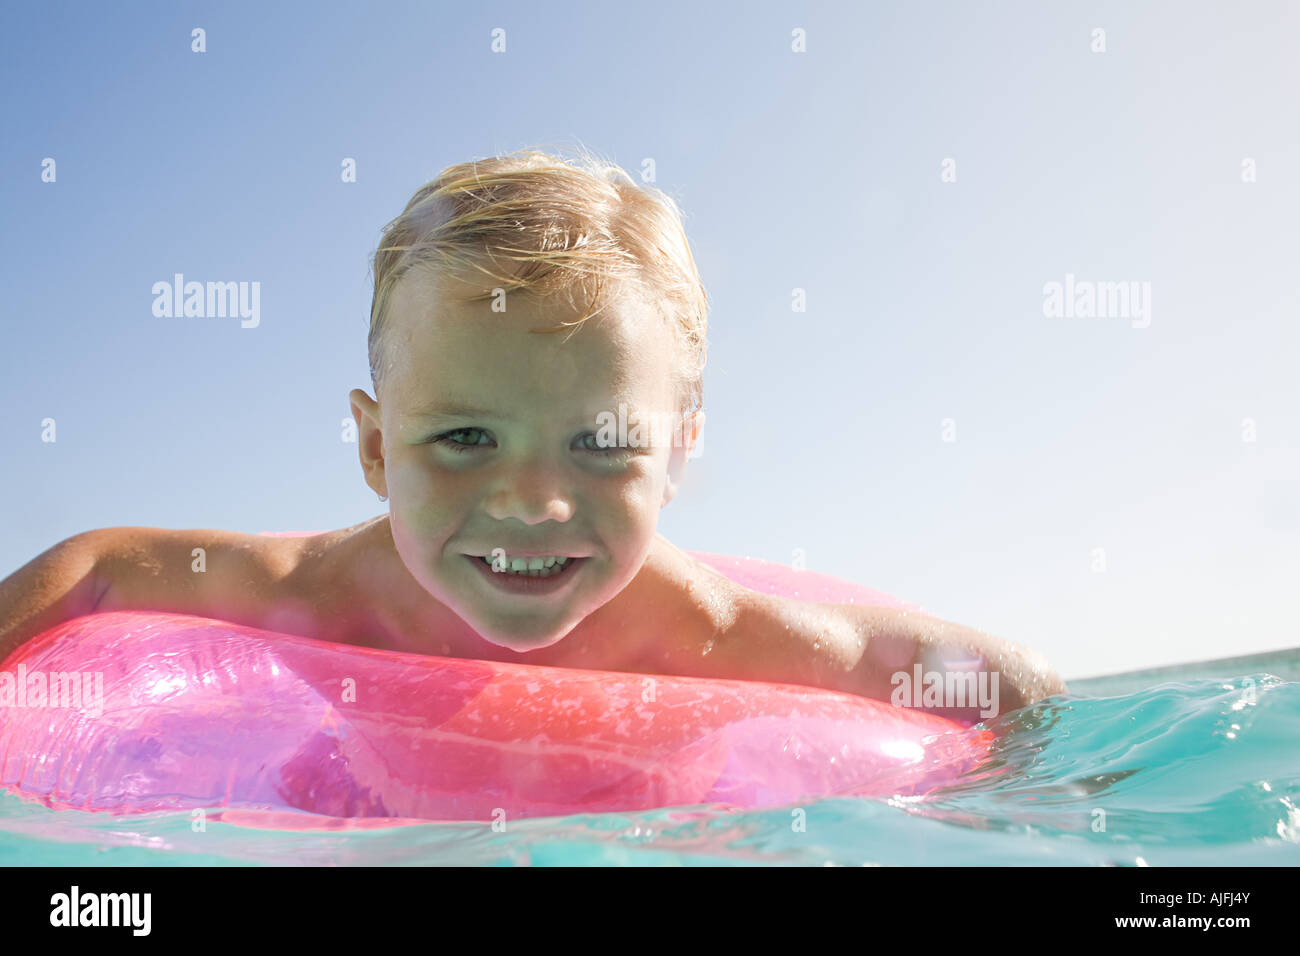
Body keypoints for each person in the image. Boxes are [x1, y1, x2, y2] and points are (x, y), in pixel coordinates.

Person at [0, 148, 1066, 722]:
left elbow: (990, 675)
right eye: (464, 435)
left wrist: (1057, 782)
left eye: (600, 443)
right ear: (375, 450)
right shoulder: (320, 594)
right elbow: (100, 566)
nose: (532, 501)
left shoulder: (699, 631)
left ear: (678, 452)